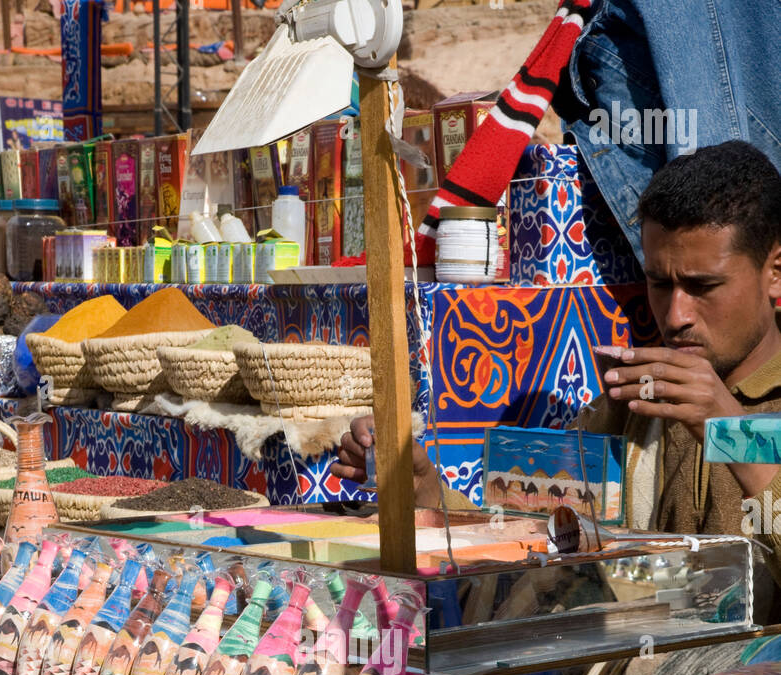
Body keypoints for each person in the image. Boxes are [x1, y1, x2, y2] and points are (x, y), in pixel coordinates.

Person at [335, 141, 781, 568]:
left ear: (774, 273)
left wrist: (731, 433)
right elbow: (531, 546)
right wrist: (428, 493)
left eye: (703, 286)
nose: (676, 315)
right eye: (660, 284)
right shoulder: (634, 400)